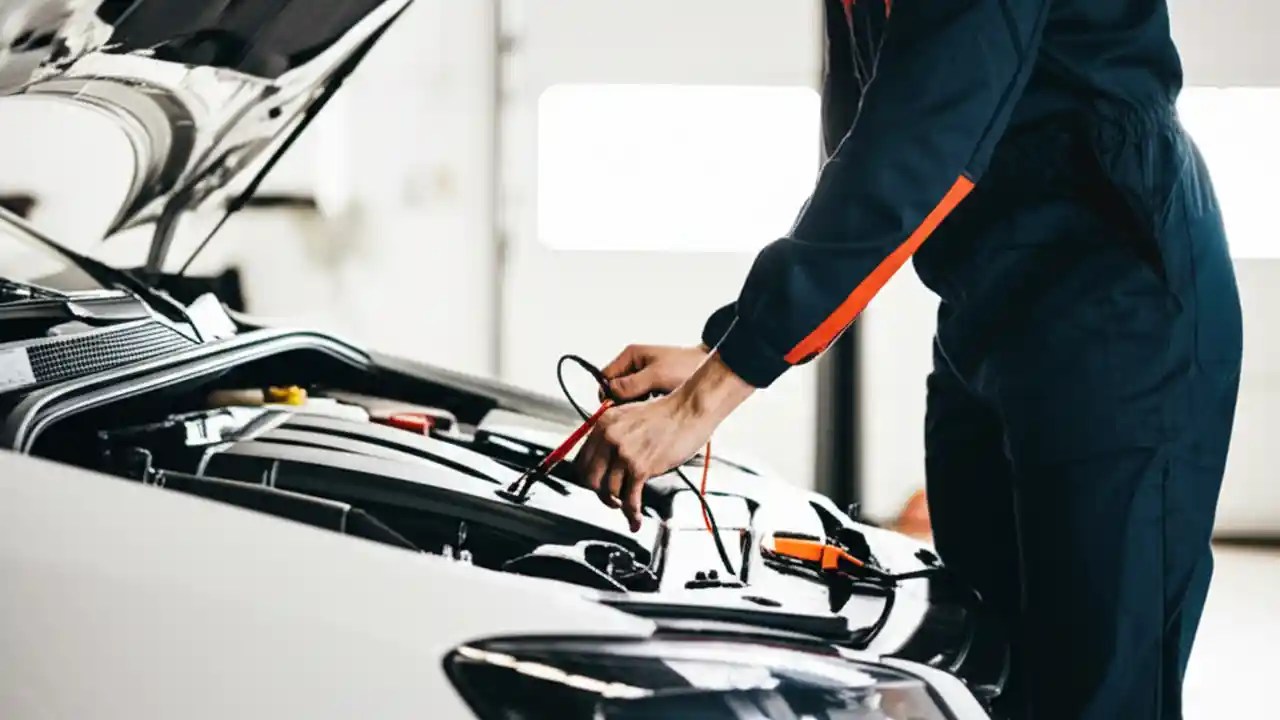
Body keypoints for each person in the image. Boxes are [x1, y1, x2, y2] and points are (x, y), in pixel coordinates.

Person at [572, 1, 1242, 718]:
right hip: (984, 307)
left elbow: (925, 139)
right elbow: (863, 138)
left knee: (1094, 688)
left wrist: (704, 401)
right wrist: (723, 346)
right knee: (982, 655)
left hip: (1115, 301)